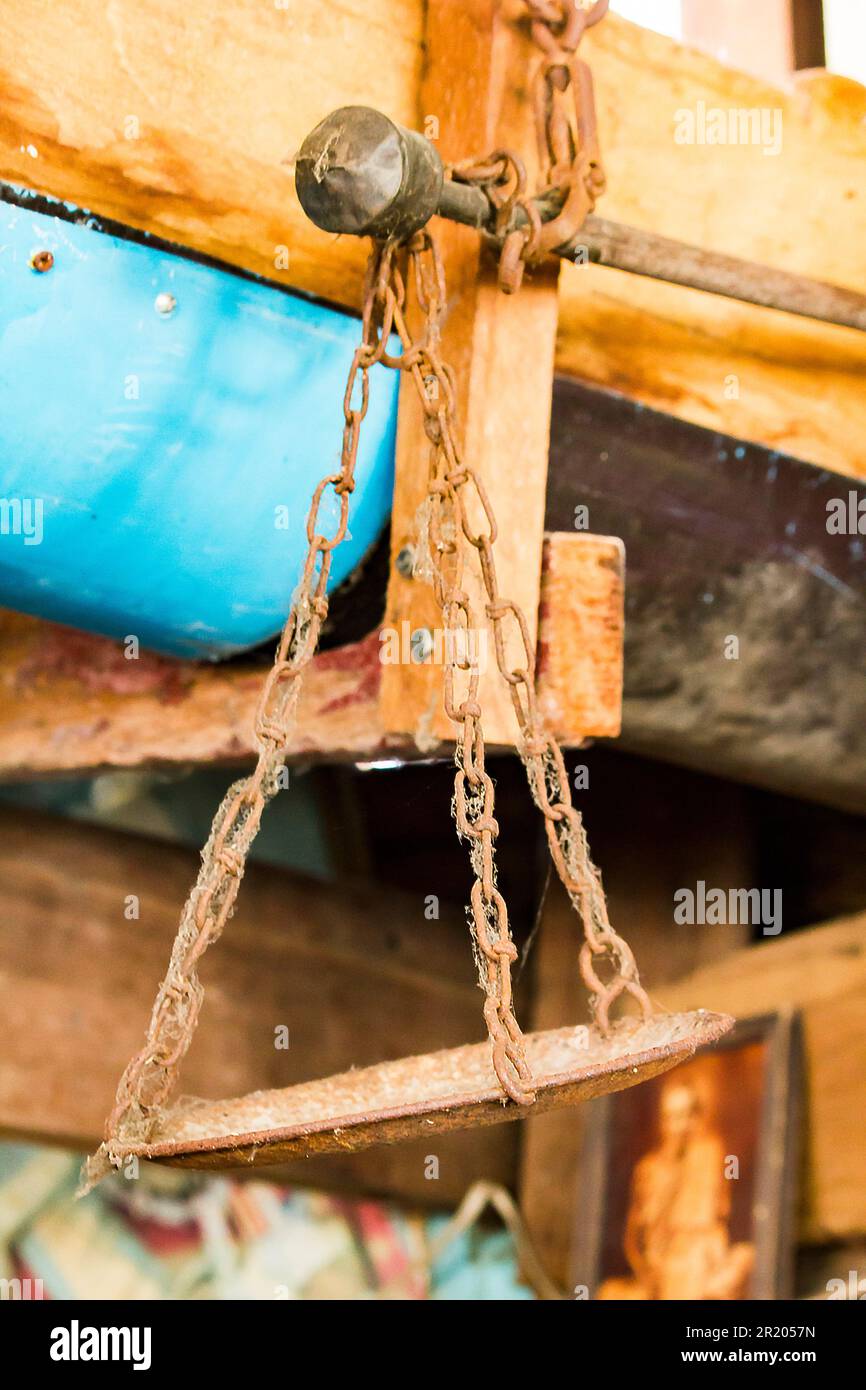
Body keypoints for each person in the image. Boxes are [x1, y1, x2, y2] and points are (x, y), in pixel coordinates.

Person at [598, 1079, 754, 1300]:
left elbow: (720, 1217)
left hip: (698, 1259)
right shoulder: (650, 1169)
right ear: (663, 1122)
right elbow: (635, 1237)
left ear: (698, 1118)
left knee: (743, 1259)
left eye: (688, 1115)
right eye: (673, 1117)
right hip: (659, 1265)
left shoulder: (711, 1154)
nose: (681, 1127)